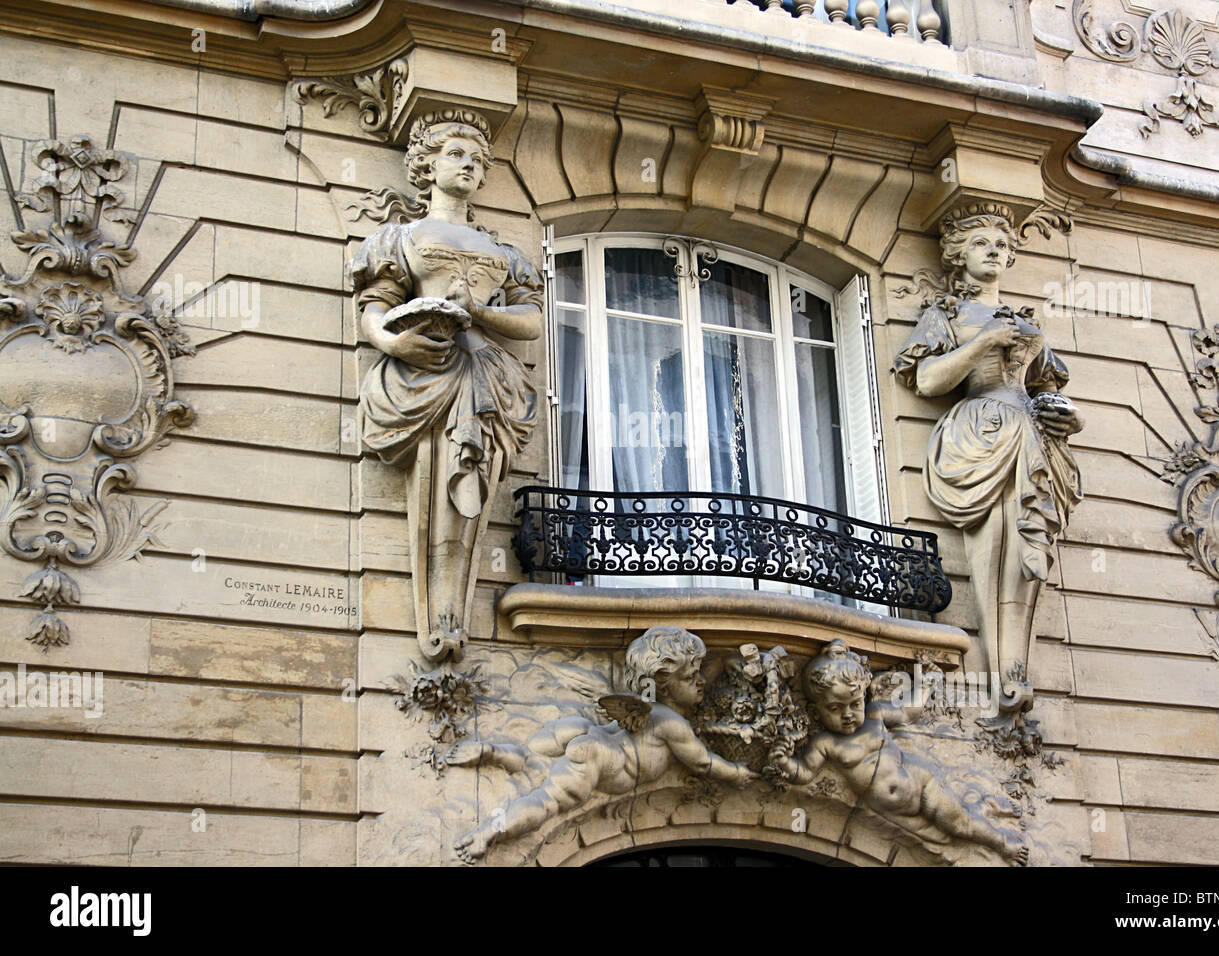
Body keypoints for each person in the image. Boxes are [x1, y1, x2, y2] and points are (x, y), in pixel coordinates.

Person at [349, 110, 541, 663]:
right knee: (437, 482)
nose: (470, 166)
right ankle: (439, 613)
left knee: (468, 486)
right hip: (425, 372)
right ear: (427, 164)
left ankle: (450, 612)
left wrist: (479, 309)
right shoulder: (401, 237)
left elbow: (530, 321)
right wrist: (392, 344)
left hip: (484, 374)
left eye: (479, 160)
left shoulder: (504, 254)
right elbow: (374, 311)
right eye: (457, 154)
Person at [892, 203, 1083, 740]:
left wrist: (1070, 417)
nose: (994, 251)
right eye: (981, 243)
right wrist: (982, 343)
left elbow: (1051, 392)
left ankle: (1015, 672)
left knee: (1029, 550)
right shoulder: (947, 316)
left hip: (1032, 435)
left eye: (1001, 243)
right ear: (958, 254)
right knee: (992, 545)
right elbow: (927, 382)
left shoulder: (1029, 325)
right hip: (980, 433)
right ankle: (1001, 674)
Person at [449, 626, 755, 864]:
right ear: (661, 686)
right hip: (605, 761)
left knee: (535, 756)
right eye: (690, 677)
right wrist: (736, 774)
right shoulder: (671, 724)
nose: (701, 681)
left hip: (587, 733)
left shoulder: (649, 712)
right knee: (547, 803)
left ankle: (503, 753)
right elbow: (703, 762)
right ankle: (489, 832)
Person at [771, 640, 1029, 864]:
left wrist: (925, 686)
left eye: (855, 704)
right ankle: (984, 815)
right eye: (836, 708)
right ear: (816, 713)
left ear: (865, 697)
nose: (848, 715)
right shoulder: (827, 743)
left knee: (959, 824)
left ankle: (1002, 843)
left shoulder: (875, 715)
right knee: (955, 826)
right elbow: (805, 772)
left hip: (922, 781)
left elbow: (908, 712)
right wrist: (784, 762)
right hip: (894, 808)